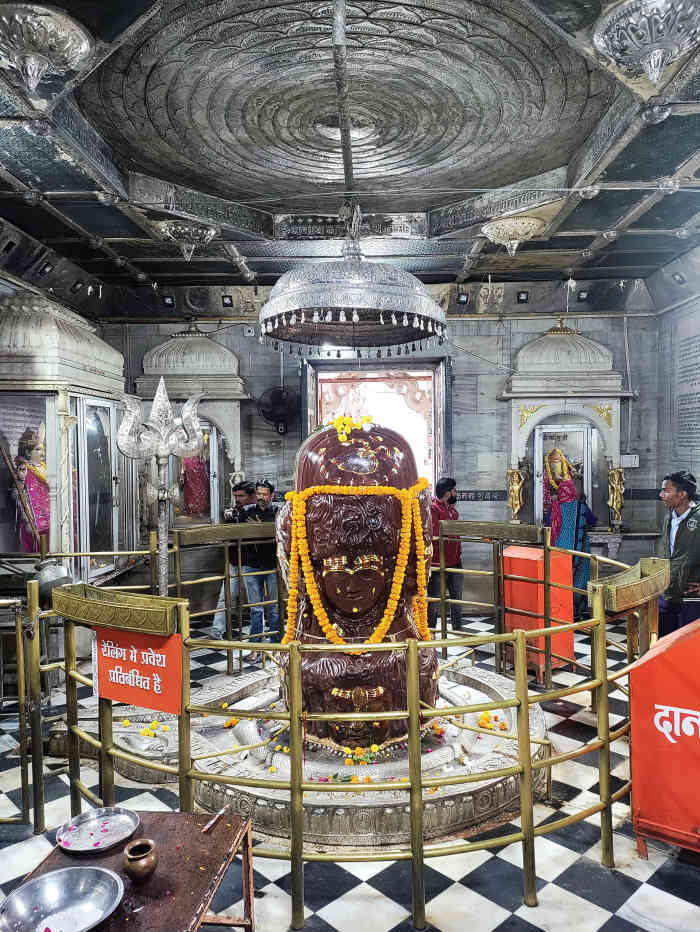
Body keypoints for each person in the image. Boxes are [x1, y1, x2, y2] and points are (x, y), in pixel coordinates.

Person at [211, 481, 256, 637]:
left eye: (241, 496)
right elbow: (227, 534)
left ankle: (259, 634)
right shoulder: (234, 512)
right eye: (235, 496)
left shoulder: (257, 512)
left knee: (255, 601)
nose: (237, 499)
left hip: (252, 562)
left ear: (252, 496)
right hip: (234, 560)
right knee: (226, 597)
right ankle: (217, 630)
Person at [658, 471, 700, 637]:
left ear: (682, 494)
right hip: (668, 594)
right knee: (665, 642)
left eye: (666, 490)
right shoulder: (668, 518)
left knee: (689, 646)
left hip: (692, 597)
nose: (661, 495)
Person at [243, 479, 280, 658]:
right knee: (256, 608)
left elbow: (280, 535)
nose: (261, 497)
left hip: (272, 565)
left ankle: (276, 645)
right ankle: (255, 647)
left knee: (273, 607)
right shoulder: (247, 512)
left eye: (265, 494)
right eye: (258, 493)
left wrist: (260, 530)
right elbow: (239, 533)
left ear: (272, 495)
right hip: (251, 564)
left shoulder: (277, 513)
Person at [427, 477, 463, 631]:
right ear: (448, 493)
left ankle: (457, 628)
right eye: (454, 490)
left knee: (457, 597)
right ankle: (431, 630)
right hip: (438, 563)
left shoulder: (452, 510)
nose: (456, 493)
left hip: (455, 561)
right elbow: (435, 533)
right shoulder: (433, 508)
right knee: (434, 599)